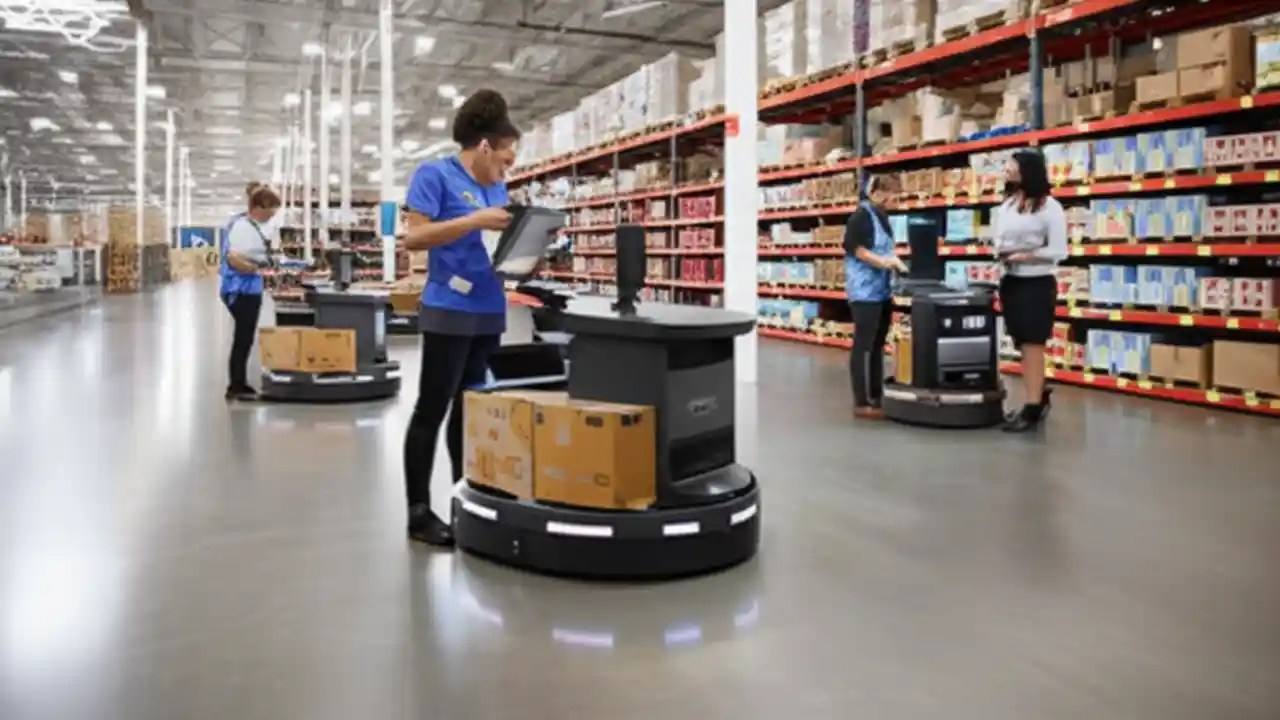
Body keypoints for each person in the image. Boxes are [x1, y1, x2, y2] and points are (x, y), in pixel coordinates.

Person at [400, 89, 519, 546]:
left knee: (471, 409)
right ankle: (417, 512)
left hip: (490, 308)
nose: (507, 169)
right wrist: (473, 221)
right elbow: (414, 239)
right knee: (432, 407)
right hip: (449, 307)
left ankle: (461, 495)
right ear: (485, 146)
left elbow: (495, 247)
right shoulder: (435, 175)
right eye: (505, 159)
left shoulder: (497, 188)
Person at [995, 150, 1067, 432]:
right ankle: (1038, 394)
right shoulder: (1008, 205)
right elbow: (998, 239)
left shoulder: (1051, 208)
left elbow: (1059, 251)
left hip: (1037, 283)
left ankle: (1033, 407)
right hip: (1011, 281)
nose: (1008, 170)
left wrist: (1026, 256)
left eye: (1013, 165)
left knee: (1032, 345)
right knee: (1020, 343)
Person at [844, 174, 907, 419]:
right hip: (864, 291)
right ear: (878, 193)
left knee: (878, 344)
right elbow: (855, 248)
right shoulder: (860, 217)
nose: (897, 199)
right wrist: (883, 262)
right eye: (894, 193)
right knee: (863, 345)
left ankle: (876, 396)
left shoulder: (883, 217)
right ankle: (861, 400)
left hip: (881, 290)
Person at [220, 185, 281, 401]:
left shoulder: (253, 226)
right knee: (243, 338)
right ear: (256, 206)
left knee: (244, 337)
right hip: (240, 289)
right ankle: (236, 385)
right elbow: (233, 259)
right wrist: (256, 269)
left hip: (248, 288)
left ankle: (238, 383)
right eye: (269, 209)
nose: (271, 214)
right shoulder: (241, 226)